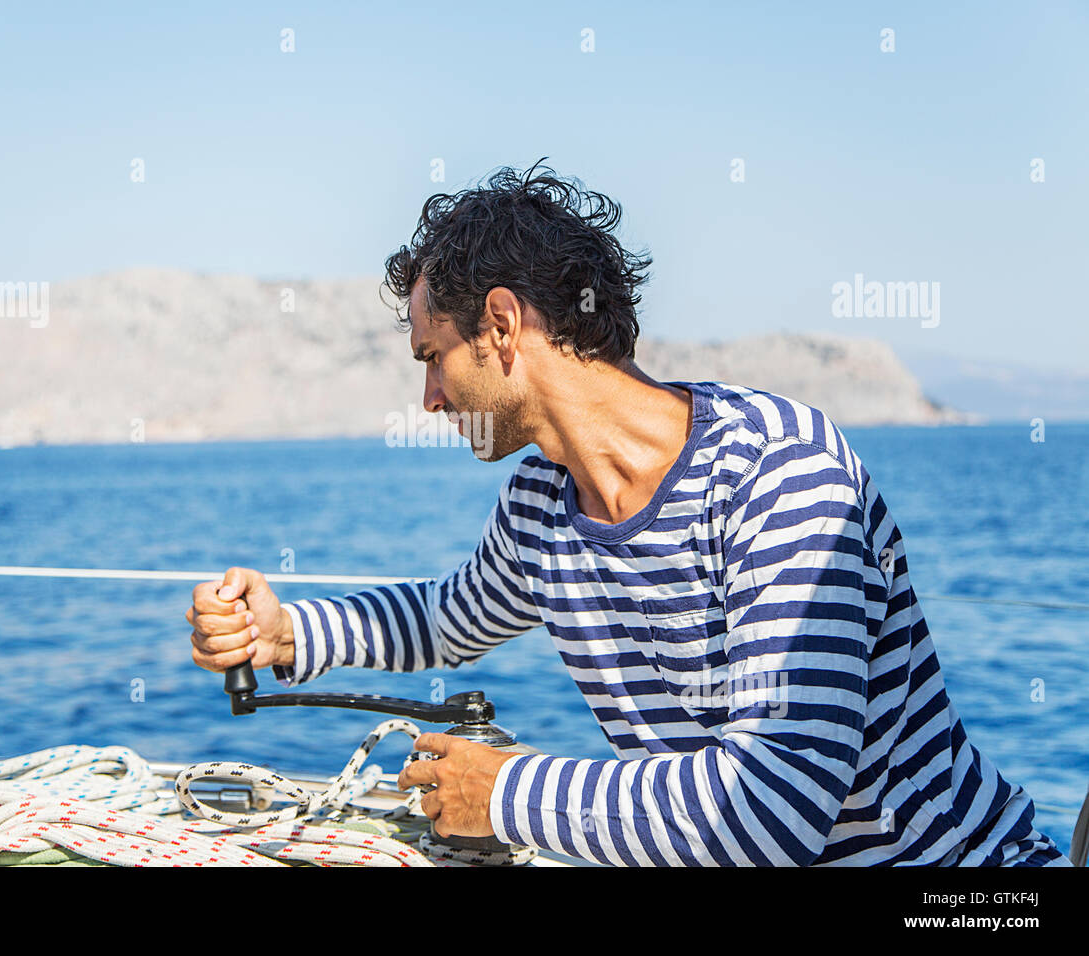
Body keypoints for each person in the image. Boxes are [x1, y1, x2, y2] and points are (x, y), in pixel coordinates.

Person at [186, 161, 1069, 866]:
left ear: (500, 325)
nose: (427, 397)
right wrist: (284, 633)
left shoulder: (778, 471)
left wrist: (506, 796)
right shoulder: (542, 504)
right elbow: (444, 617)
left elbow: (774, 811)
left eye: (433, 356)